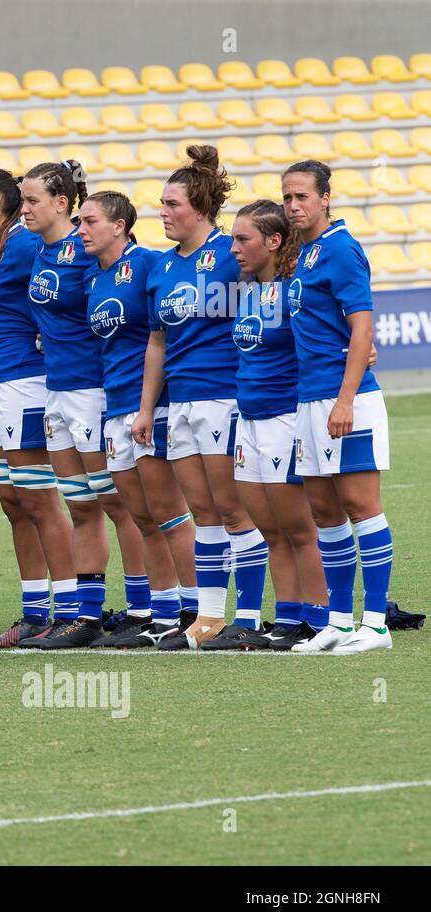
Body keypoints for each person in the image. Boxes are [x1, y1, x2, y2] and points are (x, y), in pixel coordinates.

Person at [134, 145, 264, 649]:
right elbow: (157, 341)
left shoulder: (231, 255)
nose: (163, 213)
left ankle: (248, 619)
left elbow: (275, 301)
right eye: (162, 204)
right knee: (204, 514)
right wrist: (148, 408)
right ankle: (208, 618)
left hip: (223, 397)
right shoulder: (161, 268)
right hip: (181, 403)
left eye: (172, 204)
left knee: (234, 511)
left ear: (200, 208)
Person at [19, 161, 147, 649]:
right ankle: (85, 616)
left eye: (32, 201)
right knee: (81, 507)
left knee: (118, 506)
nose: (24, 209)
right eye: (23, 200)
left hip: (95, 392)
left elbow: (130, 290)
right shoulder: (39, 250)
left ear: (61, 203)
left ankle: (142, 609)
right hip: (58, 393)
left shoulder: (87, 249)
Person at [203, 199, 330, 651]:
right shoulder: (245, 290)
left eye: (243, 239)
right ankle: (288, 617)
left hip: (284, 418)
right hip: (249, 421)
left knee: (298, 528)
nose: (233, 249)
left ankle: (318, 620)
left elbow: (326, 342)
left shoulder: (296, 290)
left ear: (273, 242)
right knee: (270, 529)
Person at [281, 161, 394, 654]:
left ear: (326, 197)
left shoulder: (343, 250)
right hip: (310, 400)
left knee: (361, 507)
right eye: (287, 197)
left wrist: (345, 398)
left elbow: (362, 329)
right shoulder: (304, 254)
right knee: (325, 511)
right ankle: (339, 621)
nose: (293, 206)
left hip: (346, 399)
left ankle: (376, 624)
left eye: (302, 196)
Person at [79, 191, 197, 648]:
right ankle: (161, 613)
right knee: (141, 516)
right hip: (115, 407)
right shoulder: (94, 277)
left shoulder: (150, 263)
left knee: (169, 514)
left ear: (120, 225)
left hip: (154, 407)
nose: (82, 230)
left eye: (90, 221)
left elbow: (165, 331)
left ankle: (193, 611)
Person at [0, 169, 68, 649]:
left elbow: (70, 276)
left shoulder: (24, 242)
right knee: (13, 504)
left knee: (40, 500)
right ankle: (34, 612)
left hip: (25, 381)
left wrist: (54, 334)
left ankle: (67, 610)